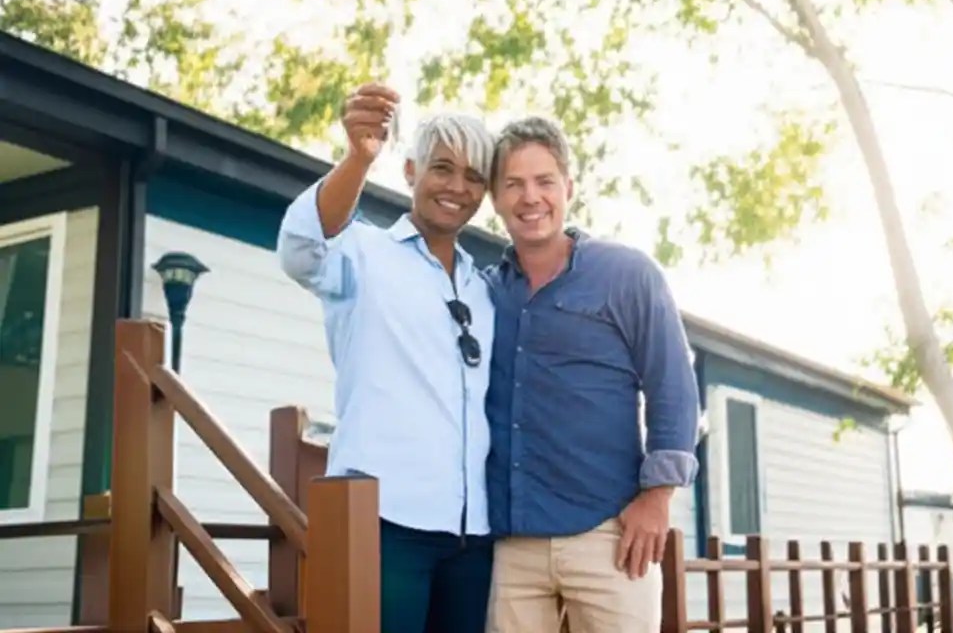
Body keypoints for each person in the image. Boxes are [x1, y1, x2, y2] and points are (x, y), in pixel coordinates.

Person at [276, 83, 497, 633]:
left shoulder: (487, 288)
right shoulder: (363, 254)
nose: (457, 187)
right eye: (443, 168)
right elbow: (302, 250)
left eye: (474, 177)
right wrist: (357, 158)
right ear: (410, 172)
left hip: (474, 535)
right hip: (384, 521)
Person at [482, 116, 701, 632]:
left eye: (544, 182)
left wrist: (658, 495)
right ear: (494, 197)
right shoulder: (485, 291)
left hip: (609, 533)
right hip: (511, 544)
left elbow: (672, 385)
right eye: (513, 184)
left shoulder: (626, 275)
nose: (529, 197)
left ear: (569, 188)